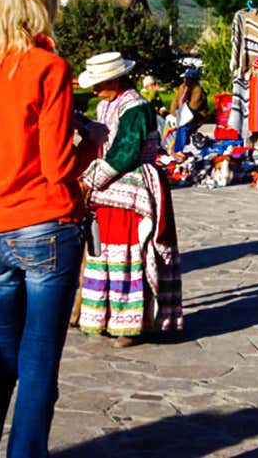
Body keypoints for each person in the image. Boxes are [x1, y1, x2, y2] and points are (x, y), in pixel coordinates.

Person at [0, 0, 102, 457]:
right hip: (46, 227)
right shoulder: (47, 67)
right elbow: (58, 166)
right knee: (37, 368)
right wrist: (91, 142)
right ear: (37, 4)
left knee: (0, 358)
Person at [77, 51, 183, 348]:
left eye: (99, 84)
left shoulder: (135, 108)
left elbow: (125, 151)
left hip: (133, 189)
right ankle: (109, 316)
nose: (94, 90)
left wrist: (89, 181)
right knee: (106, 252)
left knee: (131, 252)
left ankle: (134, 323)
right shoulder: (107, 104)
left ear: (116, 79)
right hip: (110, 190)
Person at [167, 67, 208, 153]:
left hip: (195, 116)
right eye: (185, 78)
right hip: (181, 114)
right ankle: (169, 146)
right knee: (169, 123)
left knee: (183, 128)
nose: (186, 80)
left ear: (193, 80)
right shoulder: (182, 87)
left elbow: (193, 107)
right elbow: (175, 101)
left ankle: (178, 150)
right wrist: (174, 114)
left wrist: (180, 117)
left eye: (188, 78)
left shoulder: (198, 90)